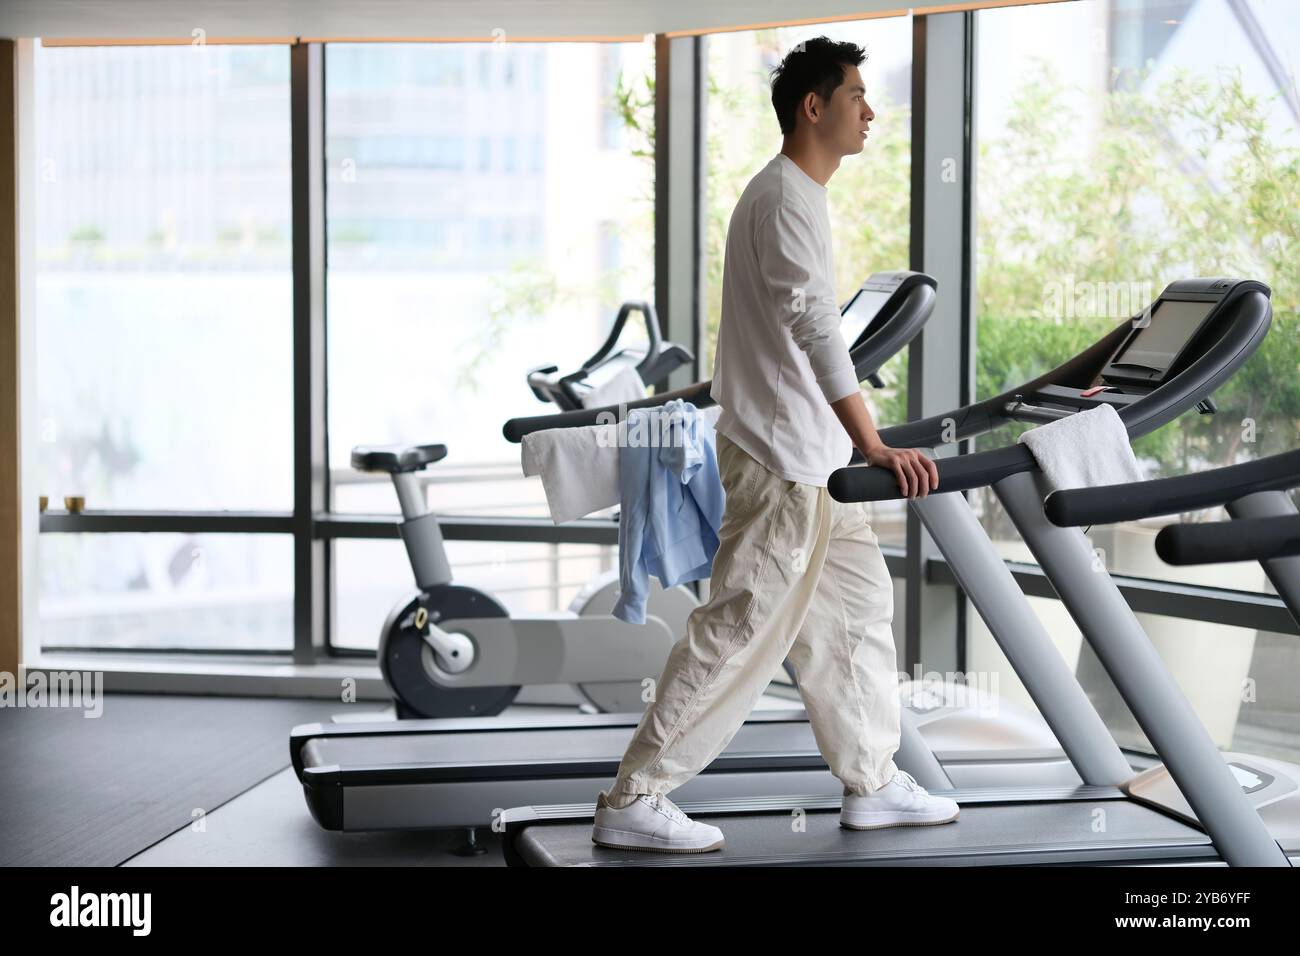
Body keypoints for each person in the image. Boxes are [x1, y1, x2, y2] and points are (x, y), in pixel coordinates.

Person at [590, 37, 960, 854]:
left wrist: (851, 442)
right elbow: (815, 327)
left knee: (857, 616)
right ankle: (634, 796)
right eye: (857, 95)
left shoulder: (797, 195)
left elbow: (806, 338)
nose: (870, 110)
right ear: (813, 107)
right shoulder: (785, 198)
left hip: (815, 460)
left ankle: (870, 781)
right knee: (738, 629)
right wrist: (875, 443)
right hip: (786, 465)